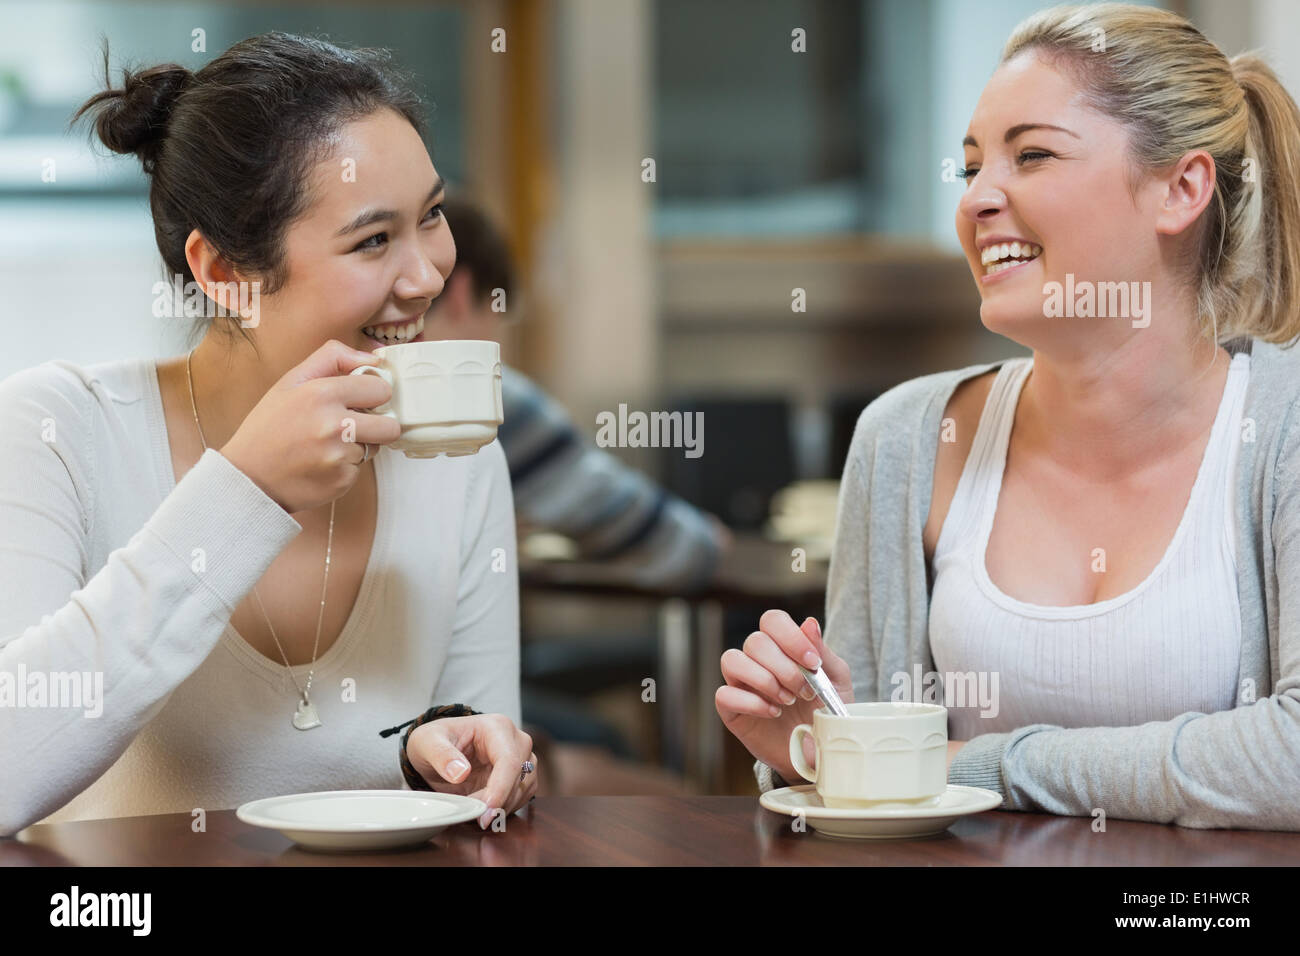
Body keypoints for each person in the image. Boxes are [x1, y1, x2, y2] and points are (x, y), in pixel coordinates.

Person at [718, 3, 1300, 830]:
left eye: (1032, 156)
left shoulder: (1283, 427)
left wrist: (996, 765)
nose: (978, 201)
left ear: (1181, 188)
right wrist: (825, 742)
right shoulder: (907, 438)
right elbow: (879, 808)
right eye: (969, 169)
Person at [0, 33, 536, 837]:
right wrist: (244, 491)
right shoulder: (57, 432)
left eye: (430, 216)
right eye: (373, 240)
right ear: (222, 272)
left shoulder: (454, 458)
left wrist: (459, 756)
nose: (429, 274)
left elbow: (481, 791)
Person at [424, 197, 729, 592]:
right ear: (464, 293)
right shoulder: (485, 398)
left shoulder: (357, 378)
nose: (496, 340)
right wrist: (705, 542)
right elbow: (629, 522)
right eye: (496, 316)